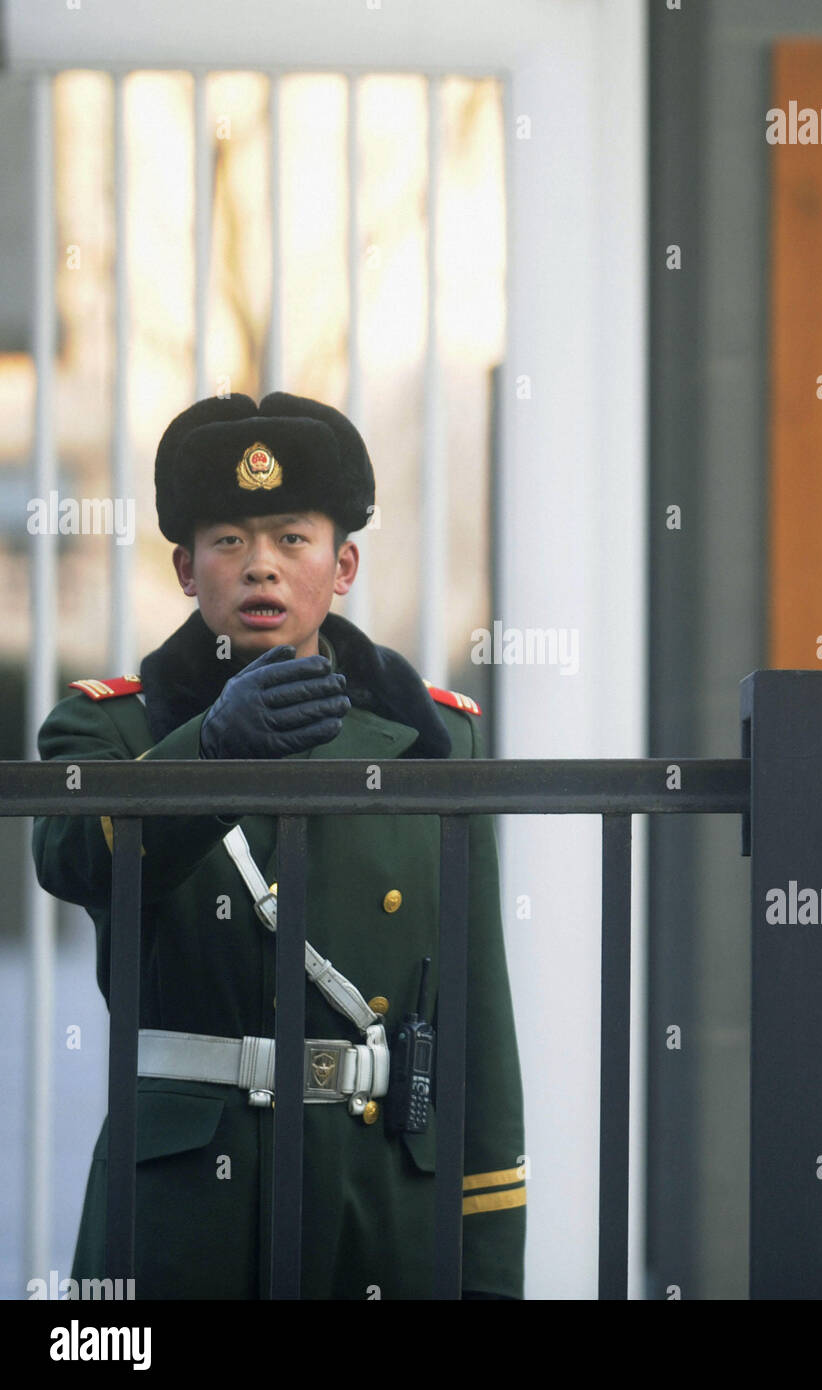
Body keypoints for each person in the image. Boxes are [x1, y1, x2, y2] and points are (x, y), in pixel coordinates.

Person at [31, 391, 526, 1299]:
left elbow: (477, 1014)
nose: (260, 566)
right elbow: (73, 858)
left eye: (291, 539)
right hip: (185, 1202)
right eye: (228, 541)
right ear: (185, 569)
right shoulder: (110, 729)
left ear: (342, 566)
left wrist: (489, 1258)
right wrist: (208, 749)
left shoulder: (433, 739)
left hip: (380, 1195)